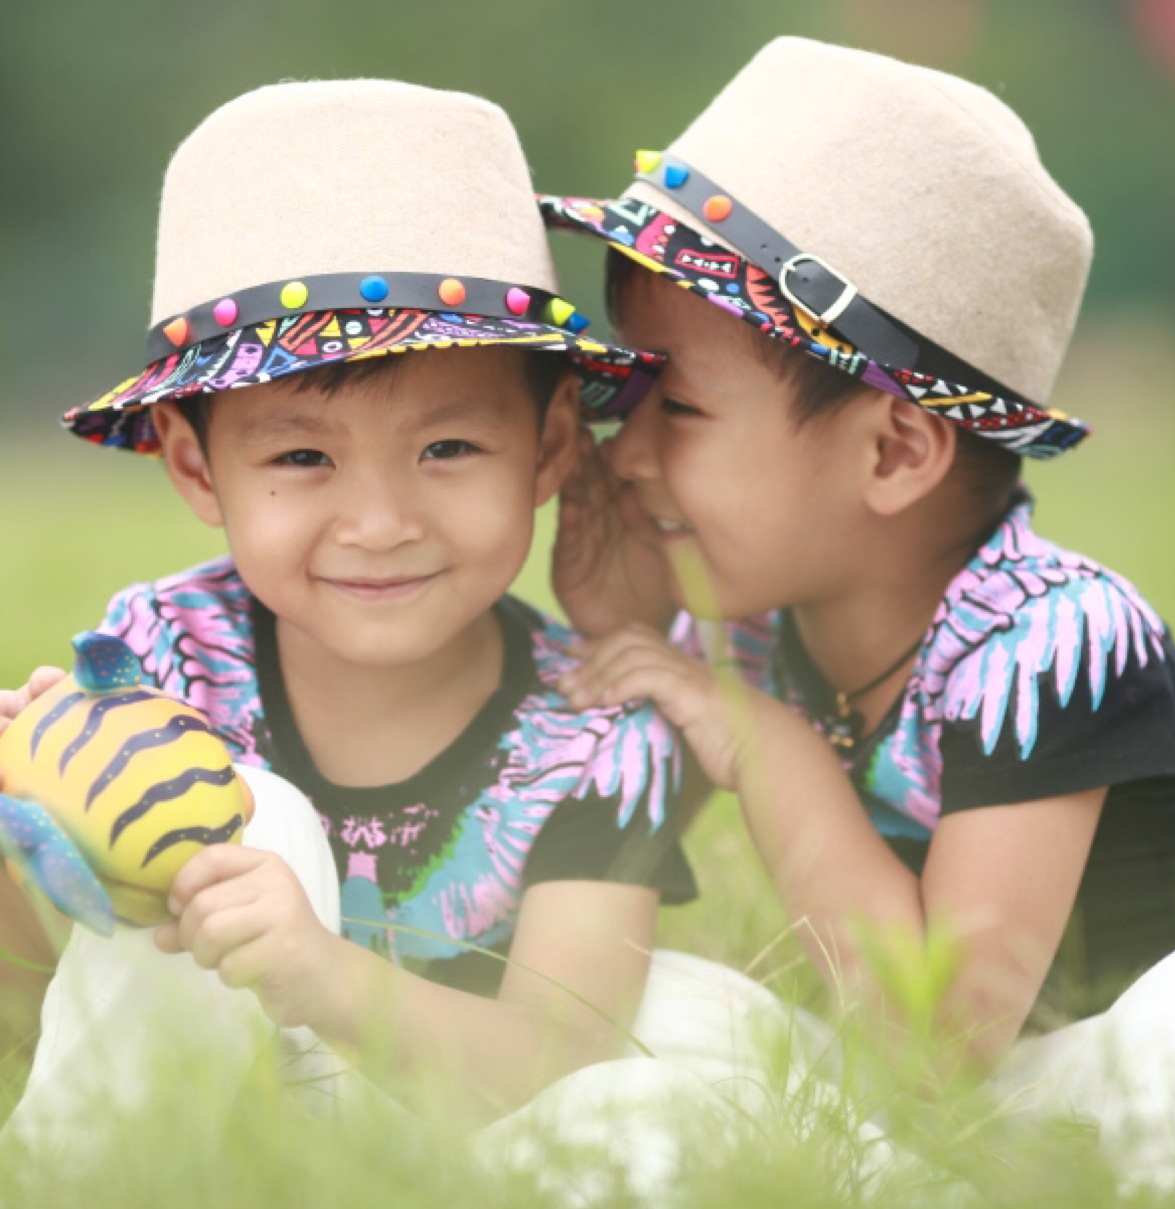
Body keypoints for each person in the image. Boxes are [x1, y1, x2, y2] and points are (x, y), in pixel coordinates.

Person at [541, 37, 1175, 1181]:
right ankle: (894, 1177)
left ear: (896, 451)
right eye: (629, 395)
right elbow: (548, 861)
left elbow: (943, 1038)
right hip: (954, 1108)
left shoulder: (1053, 640)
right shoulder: (756, 625)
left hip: (1107, 1067)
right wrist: (611, 636)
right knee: (657, 1000)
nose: (624, 455)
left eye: (681, 410)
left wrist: (764, 745)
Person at [0, 77, 695, 1151]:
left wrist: (326, 979)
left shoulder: (596, 731)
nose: (379, 523)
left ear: (553, 445)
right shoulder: (160, 664)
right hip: (206, 1123)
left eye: (448, 449)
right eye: (303, 457)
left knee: (679, 1067)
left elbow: (567, 1059)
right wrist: (28, 824)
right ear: (196, 466)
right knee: (244, 816)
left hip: (464, 1135)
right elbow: (41, 1003)